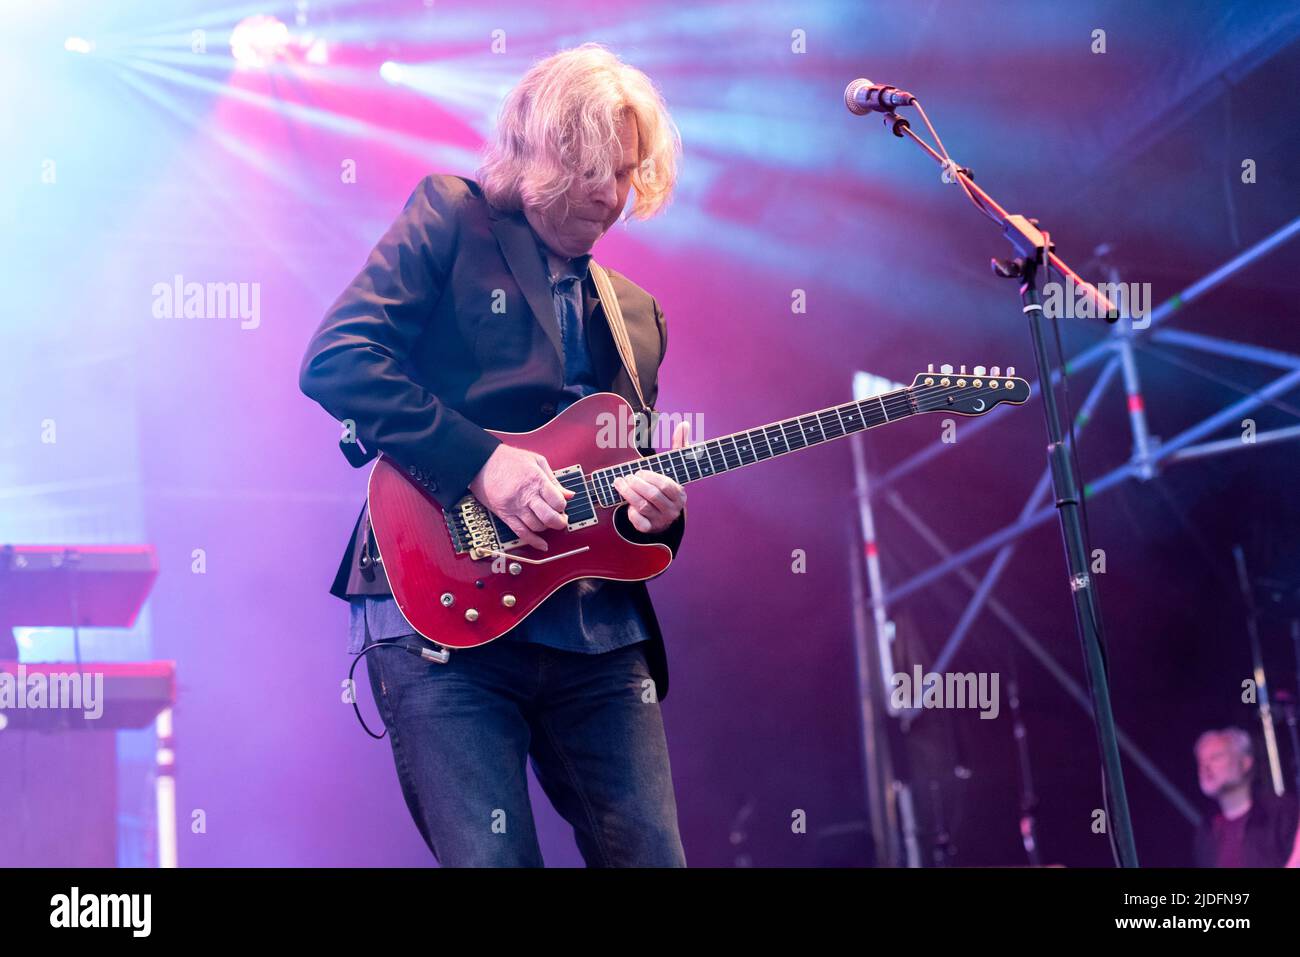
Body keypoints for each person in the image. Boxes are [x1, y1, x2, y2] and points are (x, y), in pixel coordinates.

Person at [299, 44, 689, 866]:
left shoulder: (638, 315)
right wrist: (484, 461)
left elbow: (628, 492)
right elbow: (337, 360)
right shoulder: (453, 216)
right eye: (590, 167)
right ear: (537, 145)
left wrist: (658, 511)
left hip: (596, 635)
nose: (609, 194)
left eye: (624, 172)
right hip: (446, 615)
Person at [1192, 727, 1299, 867]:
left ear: (1245, 762)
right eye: (1201, 761)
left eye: (1215, 757)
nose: (1206, 767)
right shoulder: (1206, 832)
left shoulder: (1283, 812)